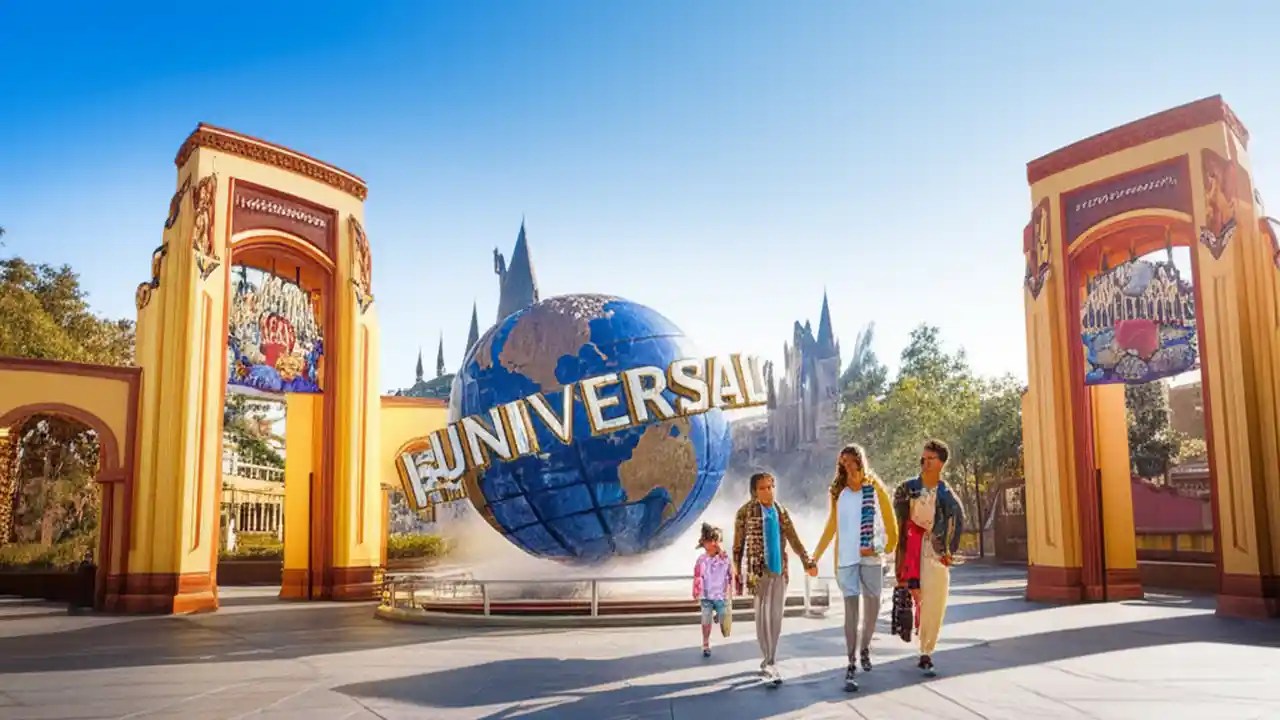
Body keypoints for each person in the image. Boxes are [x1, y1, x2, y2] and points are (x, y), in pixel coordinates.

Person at [812, 443, 898, 691]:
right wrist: (815, 556)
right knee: (851, 612)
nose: (847, 466)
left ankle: (865, 647)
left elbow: (891, 525)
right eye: (843, 462)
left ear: (860, 461)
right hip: (846, 559)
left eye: (851, 461)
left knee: (872, 608)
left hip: (870, 557)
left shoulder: (875, 487)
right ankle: (851, 660)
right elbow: (832, 525)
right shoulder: (837, 491)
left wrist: (883, 549)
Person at [732, 471, 817, 685]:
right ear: (754, 491)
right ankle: (768, 660)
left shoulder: (780, 511)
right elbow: (737, 545)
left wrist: (806, 561)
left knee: (776, 616)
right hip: (758, 572)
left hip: (779, 570)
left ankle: (771, 655)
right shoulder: (745, 513)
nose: (767, 491)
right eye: (762, 488)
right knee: (762, 616)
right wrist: (735, 570)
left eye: (770, 487)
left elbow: (793, 538)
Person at [893, 439, 965, 676]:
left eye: (931, 458)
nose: (925, 462)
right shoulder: (908, 488)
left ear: (941, 463)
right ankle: (917, 638)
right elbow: (900, 525)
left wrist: (949, 551)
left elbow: (959, 519)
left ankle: (926, 652)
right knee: (917, 596)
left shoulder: (946, 493)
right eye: (923, 458)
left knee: (935, 604)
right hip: (913, 550)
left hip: (935, 553)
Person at [692, 522, 733, 657]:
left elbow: (730, 572)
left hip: (720, 596)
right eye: (709, 541)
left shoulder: (723, 559)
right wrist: (696, 590)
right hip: (706, 595)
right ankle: (705, 643)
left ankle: (718, 616)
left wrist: (734, 586)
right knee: (705, 620)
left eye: (715, 541)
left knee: (723, 618)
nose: (712, 544)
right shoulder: (701, 560)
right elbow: (698, 576)